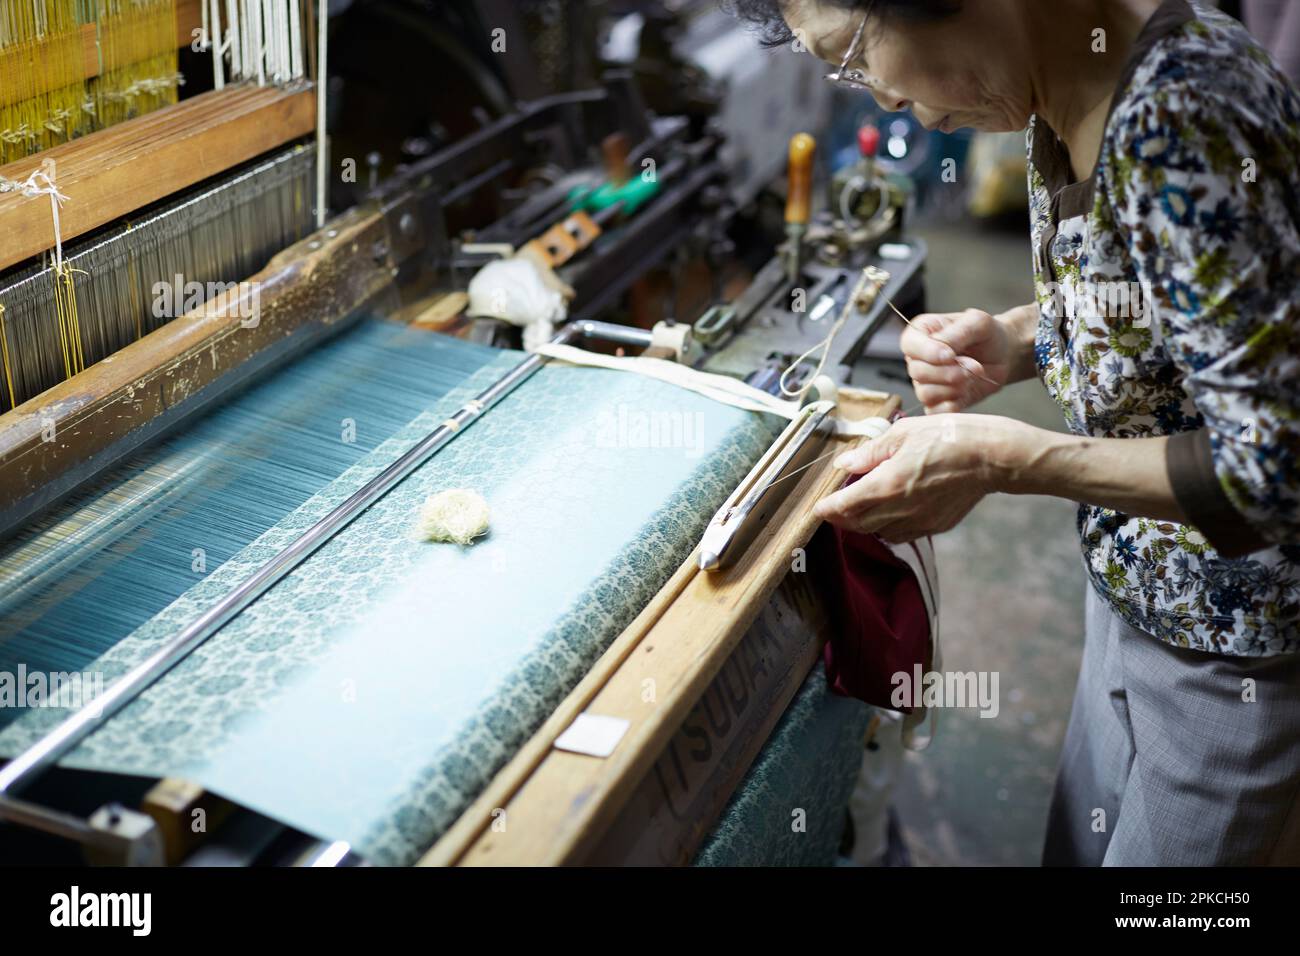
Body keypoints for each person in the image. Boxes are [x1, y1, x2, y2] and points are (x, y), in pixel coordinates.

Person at [729, 0, 1300, 865]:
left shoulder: (1182, 119)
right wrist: (1014, 338)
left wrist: (1006, 457)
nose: (878, 97)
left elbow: (1275, 468)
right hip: (1138, 580)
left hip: (1236, 643)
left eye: (853, 56)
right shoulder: (1061, 96)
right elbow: (1170, 298)